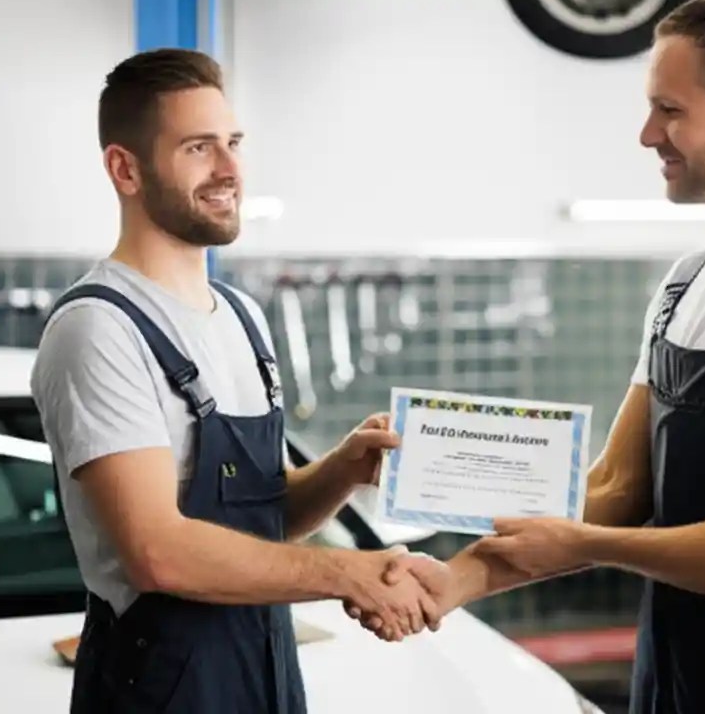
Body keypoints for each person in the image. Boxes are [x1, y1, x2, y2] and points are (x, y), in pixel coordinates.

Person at [350, 0, 705, 711]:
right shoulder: (686, 285)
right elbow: (620, 487)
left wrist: (589, 544)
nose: (648, 134)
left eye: (670, 110)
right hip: (677, 675)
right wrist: (455, 580)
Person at [31, 48, 442, 714]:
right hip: (159, 688)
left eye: (234, 143)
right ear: (124, 168)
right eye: (199, 148)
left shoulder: (241, 317)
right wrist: (350, 574)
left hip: (264, 666)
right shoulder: (98, 329)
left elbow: (262, 521)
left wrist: (340, 471)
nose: (229, 170)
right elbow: (157, 552)